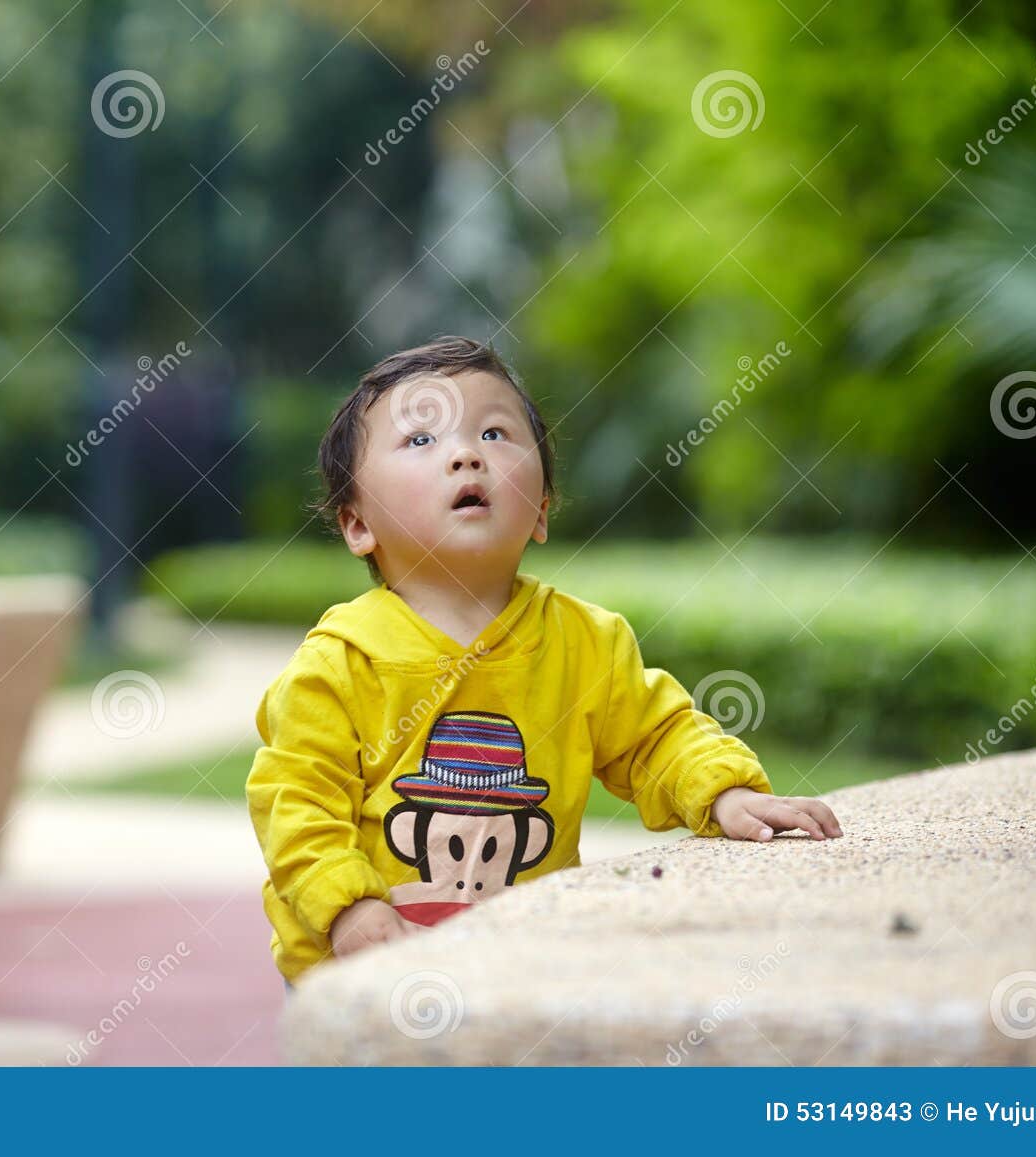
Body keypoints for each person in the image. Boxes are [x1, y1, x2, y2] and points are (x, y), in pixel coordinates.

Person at [248, 336, 843, 991]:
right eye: (421, 440)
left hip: (522, 967)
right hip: (369, 973)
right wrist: (346, 904)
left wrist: (724, 791)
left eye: (495, 431)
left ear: (540, 510)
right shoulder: (339, 663)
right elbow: (294, 801)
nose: (466, 453)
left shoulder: (584, 642)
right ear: (358, 524)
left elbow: (657, 735)